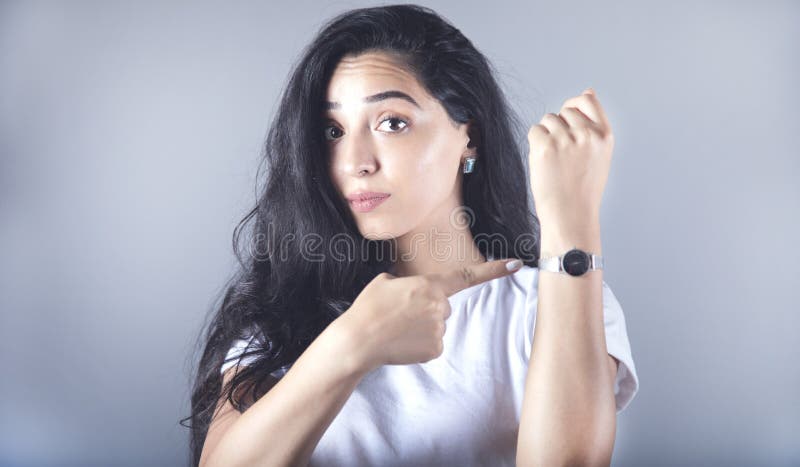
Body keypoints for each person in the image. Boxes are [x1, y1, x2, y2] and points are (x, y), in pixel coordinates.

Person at [181, 4, 639, 466]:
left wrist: (571, 223)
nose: (355, 161)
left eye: (391, 123)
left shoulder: (551, 303)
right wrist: (353, 342)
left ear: (469, 138)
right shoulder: (282, 315)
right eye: (333, 130)